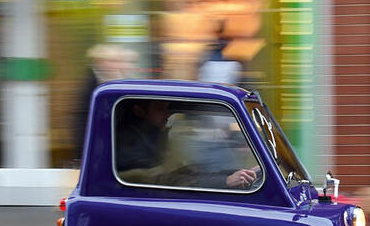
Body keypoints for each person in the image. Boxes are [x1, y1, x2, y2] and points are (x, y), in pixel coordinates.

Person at [115, 98, 259, 190]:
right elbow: (166, 181)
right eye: (160, 109)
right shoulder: (130, 147)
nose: (167, 114)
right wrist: (225, 181)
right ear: (139, 111)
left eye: (167, 109)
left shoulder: (152, 136)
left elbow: (184, 173)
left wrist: (235, 173)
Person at [72, 44, 137, 161]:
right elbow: (82, 123)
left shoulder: (110, 81)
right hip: (95, 153)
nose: (117, 66)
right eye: (112, 61)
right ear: (99, 62)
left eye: (118, 61)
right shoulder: (91, 87)